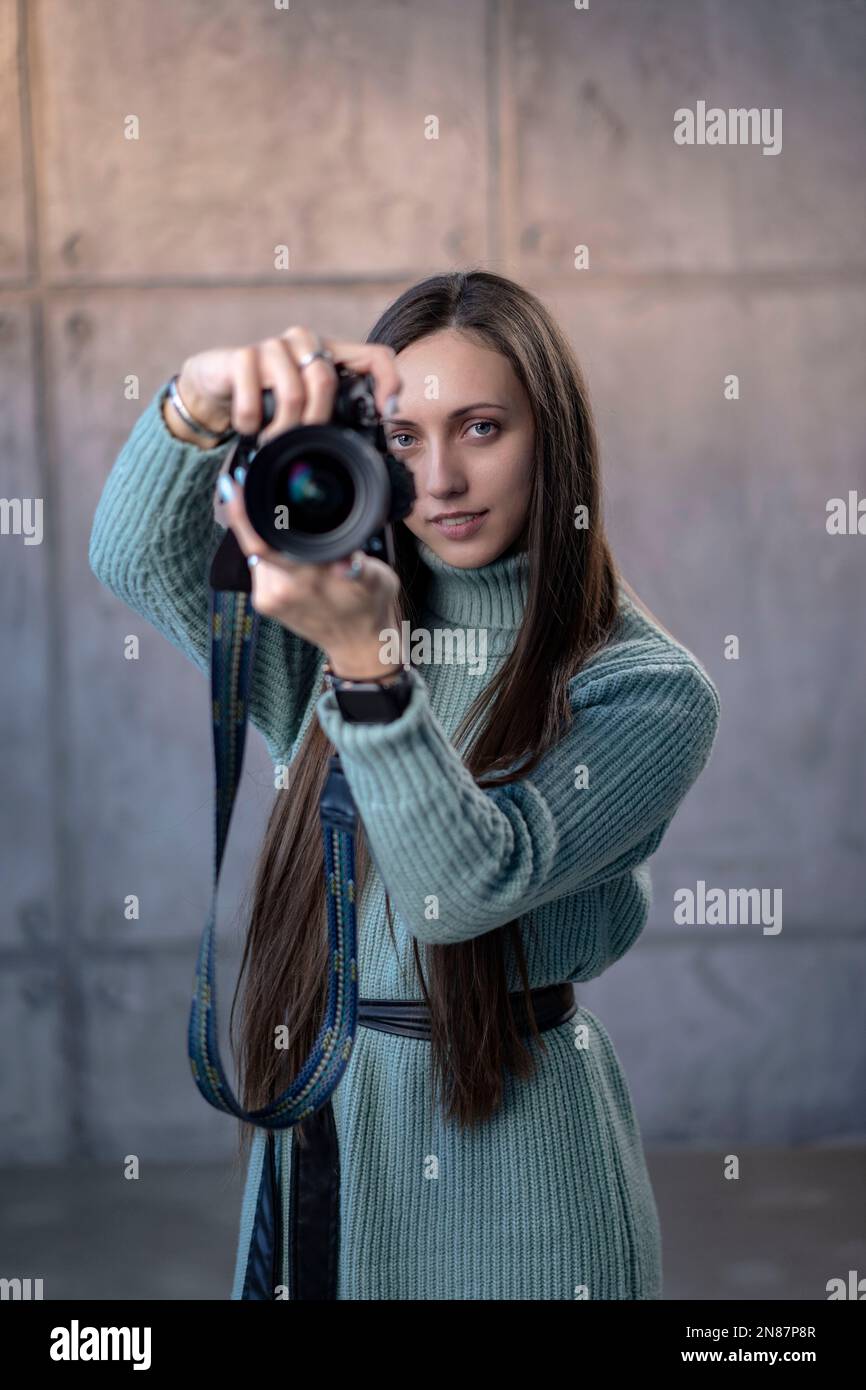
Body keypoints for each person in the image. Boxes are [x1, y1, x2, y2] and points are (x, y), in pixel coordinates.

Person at [88, 268, 720, 1300]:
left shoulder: (642, 688)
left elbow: (457, 890)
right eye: (403, 437)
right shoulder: (346, 610)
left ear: (550, 439)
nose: (440, 481)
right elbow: (135, 556)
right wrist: (193, 403)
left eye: (479, 428)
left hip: (518, 1156)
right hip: (329, 1114)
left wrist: (369, 671)